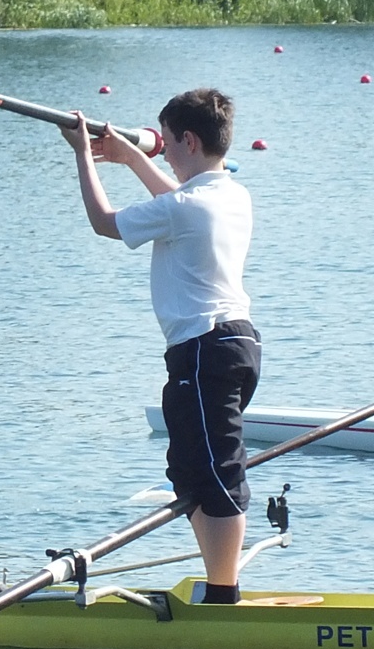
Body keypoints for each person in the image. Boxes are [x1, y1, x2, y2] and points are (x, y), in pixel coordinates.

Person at [61, 89, 259, 605]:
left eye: (167, 142)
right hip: (231, 343)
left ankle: (224, 596)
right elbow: (176, 197)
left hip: (205, 349)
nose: (163, 151)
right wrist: (130, 158)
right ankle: (219, 585)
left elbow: (104, 222)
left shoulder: (184, 206)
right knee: (191, 472)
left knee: (217, 473)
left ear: (188, 140)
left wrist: (84, 155)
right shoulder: (231, 194)